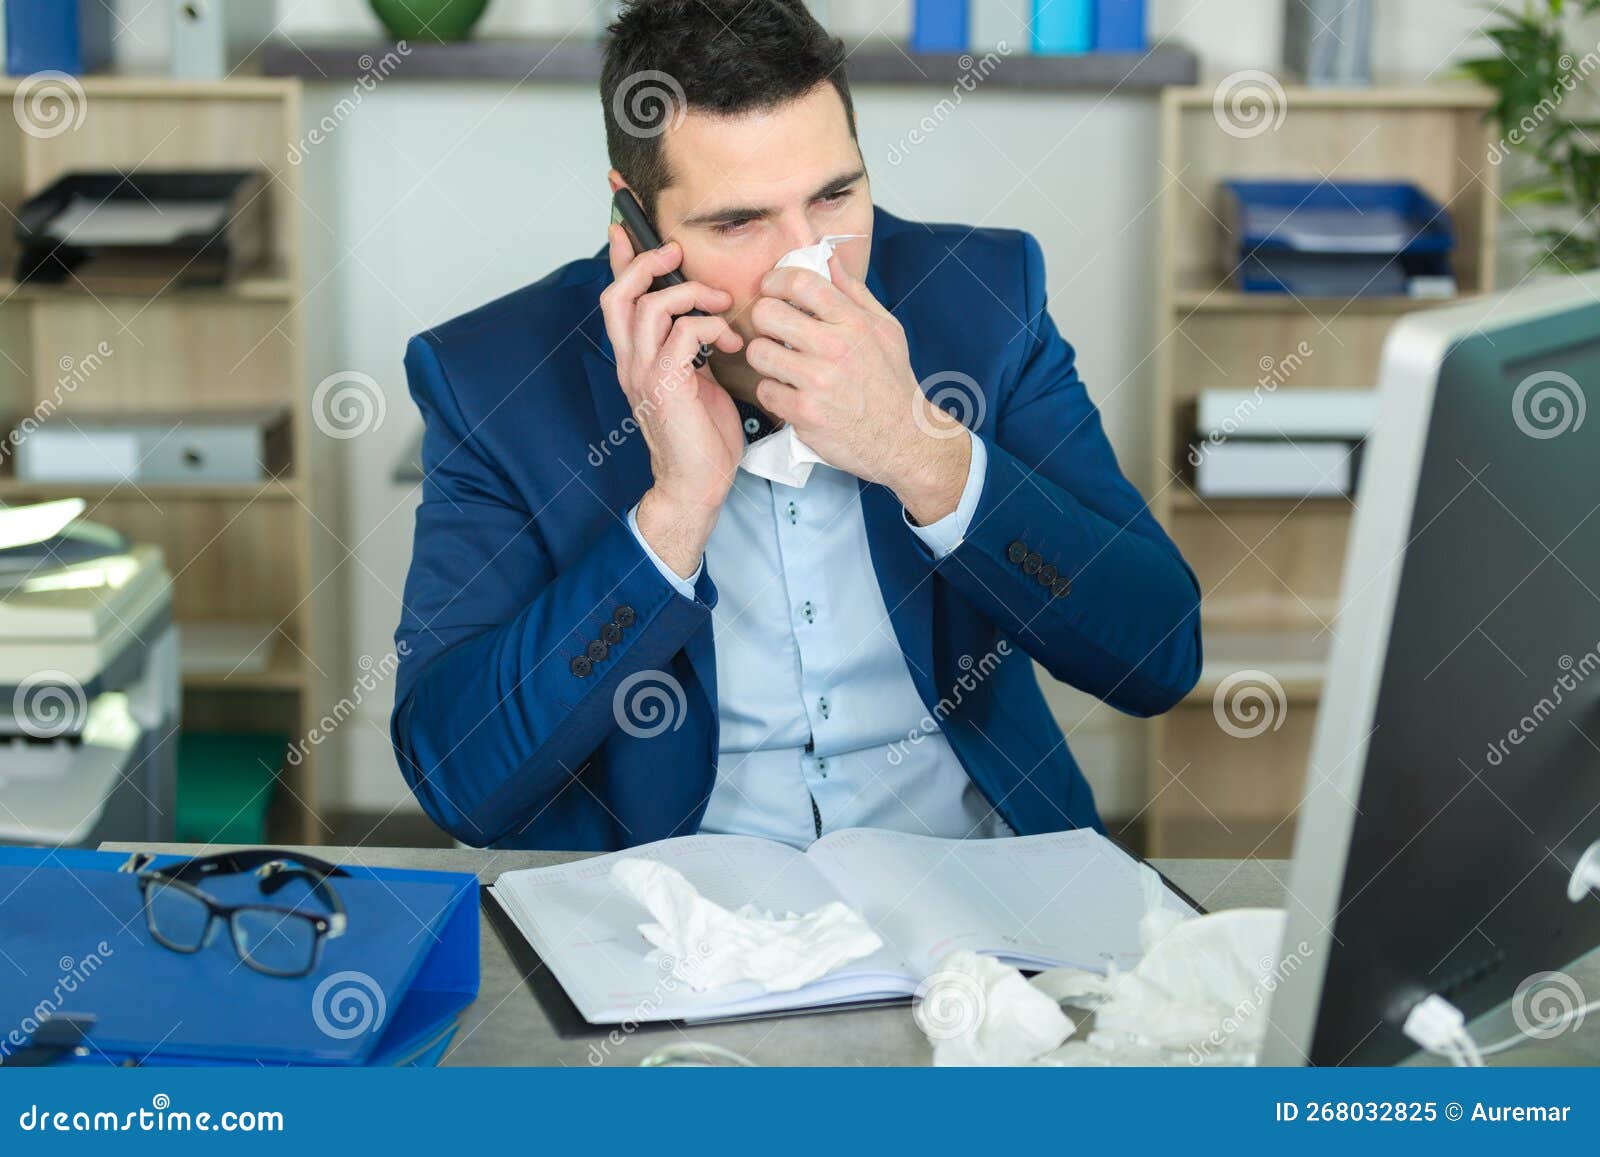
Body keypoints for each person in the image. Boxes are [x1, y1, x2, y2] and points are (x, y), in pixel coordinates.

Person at [391, 0, 1202, 850]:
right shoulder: (489, 378)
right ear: (633, 222)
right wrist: (674, 511)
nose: (807, 259)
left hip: (978, 879)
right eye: (739, 221)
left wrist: (922, 453)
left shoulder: (990, 299)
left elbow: (1159, 656)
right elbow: (461, 783)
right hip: (682, 919)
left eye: (836, 195)